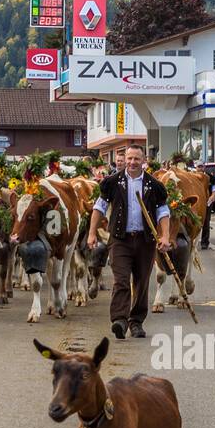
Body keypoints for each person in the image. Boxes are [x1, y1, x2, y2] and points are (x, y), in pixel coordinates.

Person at [86, 143, 172, 340]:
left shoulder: (154, 185)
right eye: (129, 159)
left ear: (144, 161)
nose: (132, 162)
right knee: (121, 280)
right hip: (120, 239)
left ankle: (136, 322)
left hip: (145, 240)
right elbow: (99, 207)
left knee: (141, 282)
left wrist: (165, 235)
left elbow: (163, 211)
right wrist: (92, 233)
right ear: (124, 160)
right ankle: (119, 320)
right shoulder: (112, 182)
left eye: (136, 159)